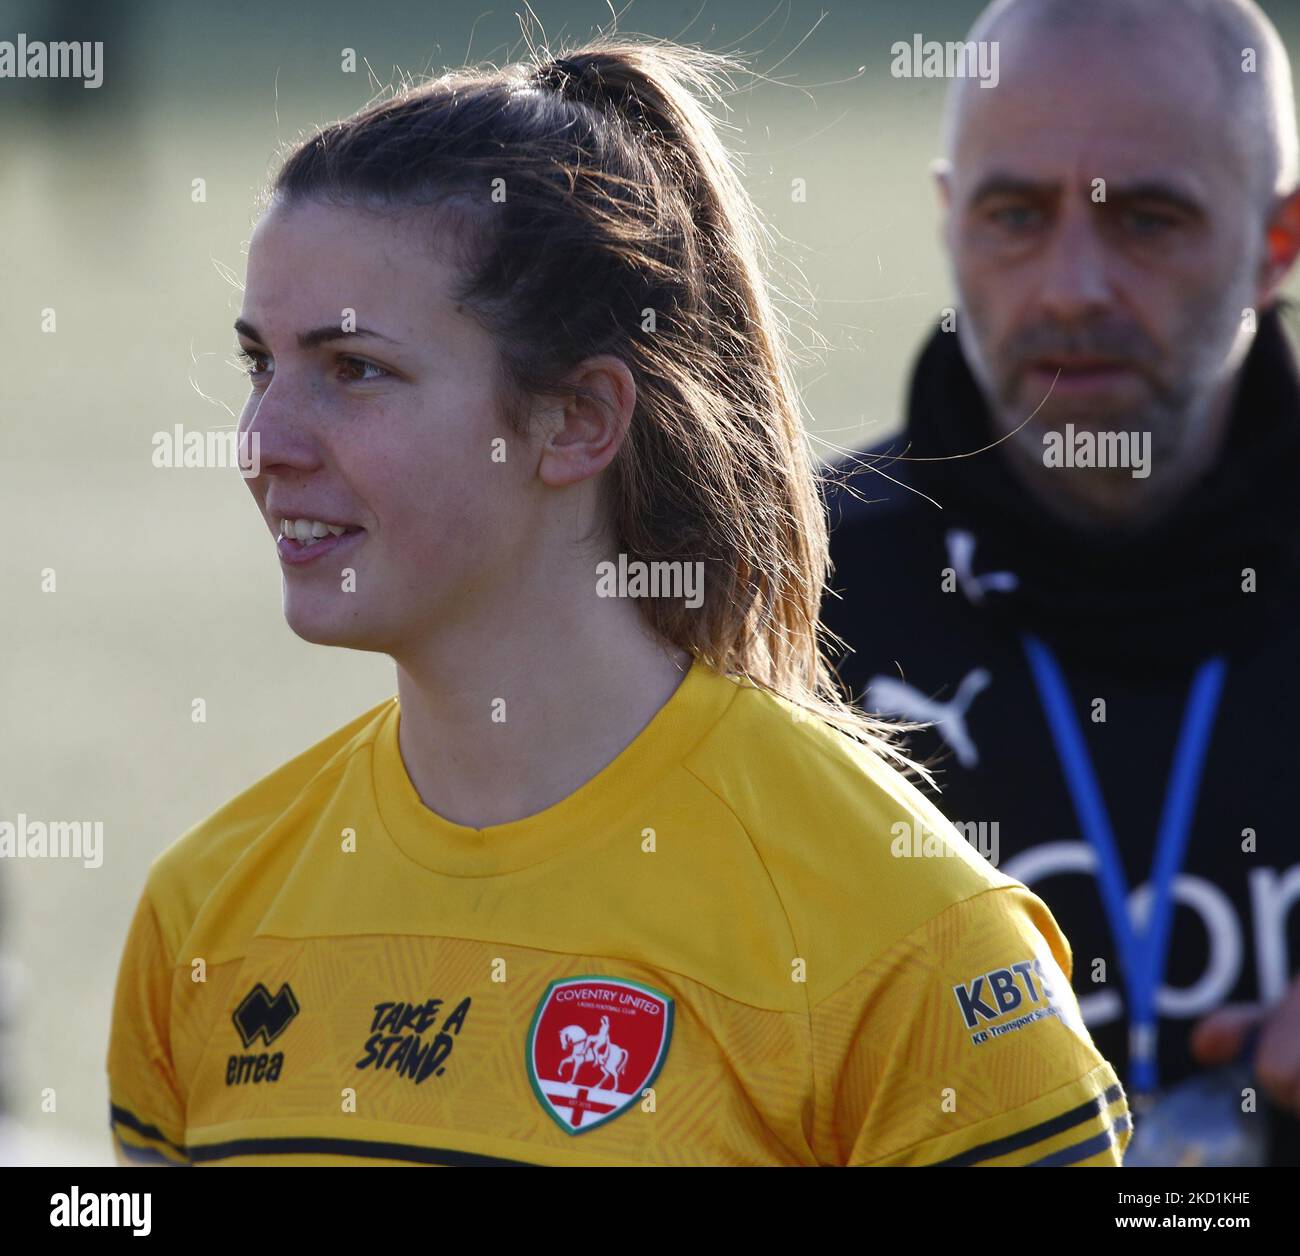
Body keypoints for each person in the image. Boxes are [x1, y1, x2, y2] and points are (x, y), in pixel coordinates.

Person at [106, 38, 1129, 1167]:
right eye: (260, 365)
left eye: (353, 368)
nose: (263, 442)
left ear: (579, 419)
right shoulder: (205, 913)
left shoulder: (906, 937)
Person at [823, 0, 1300, 1165]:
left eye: (1146, 217)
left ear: (1276, 243)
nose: (1073, 284)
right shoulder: (782, 597)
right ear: (948, 222)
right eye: (1014, 215)